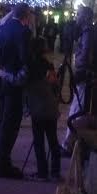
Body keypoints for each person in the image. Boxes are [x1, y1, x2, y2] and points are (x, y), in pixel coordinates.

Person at [0, 3, 33, 179]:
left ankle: (0, 161)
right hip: (14, 83)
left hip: (0, 82)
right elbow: (26, 59)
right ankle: (2, 164)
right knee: (11, 125)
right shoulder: (23, 32)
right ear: (26, 15)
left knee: (3, 124)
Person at [26, 37, 61, 181]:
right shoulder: (48, 65)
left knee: (39, 141)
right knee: (53, 140)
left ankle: (42, 172)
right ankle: (55, 171)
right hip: (50, 107)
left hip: (38, 107)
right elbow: (55, 86)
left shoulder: (29, 66)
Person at [62, 5, 95, 151]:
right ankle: (74, 142)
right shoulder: (84, 32)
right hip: (83, 73)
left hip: (84, 74)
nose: (77, 17)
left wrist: (79, 67)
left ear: (86, 17)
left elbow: (86, 53)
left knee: (77, 109)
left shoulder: (87, 33)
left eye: (79, 15)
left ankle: (70, 143)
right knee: (78, 107)